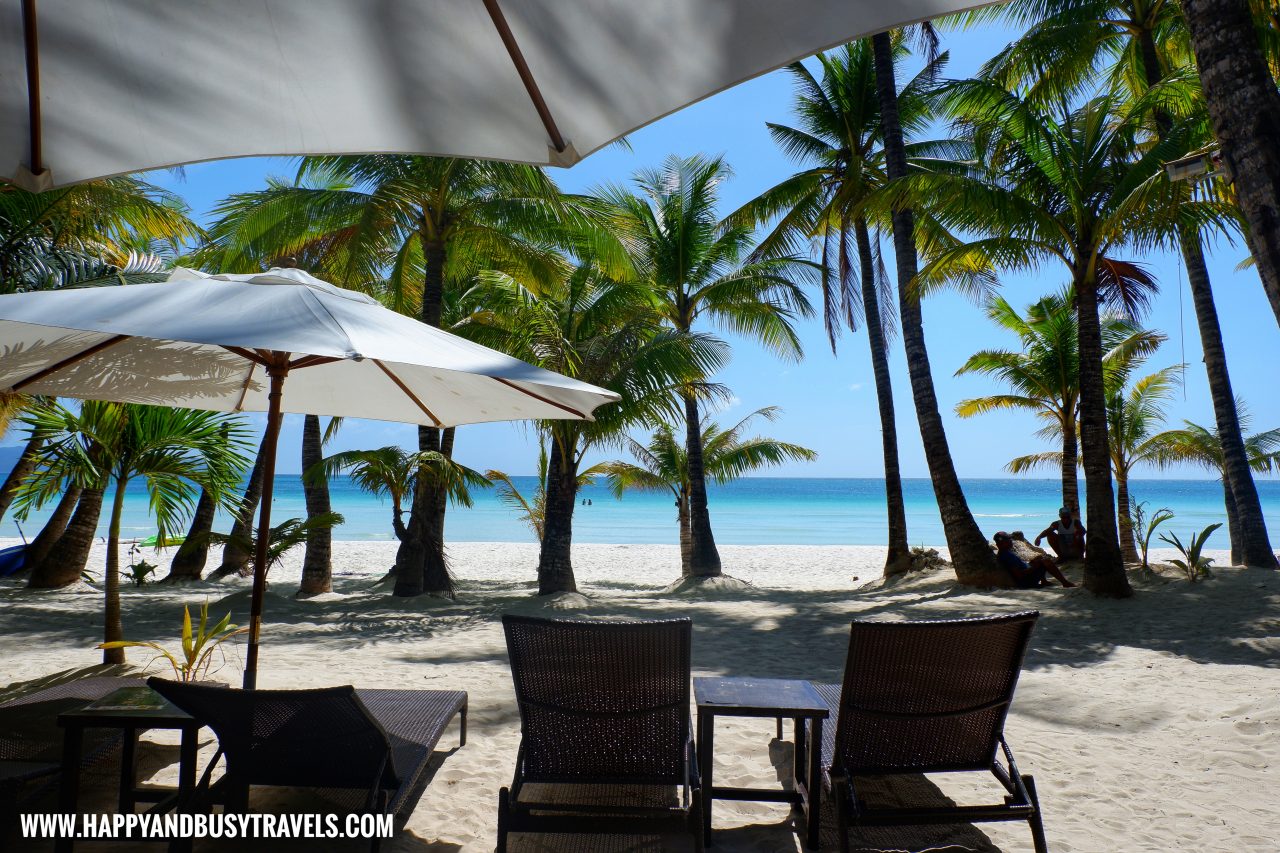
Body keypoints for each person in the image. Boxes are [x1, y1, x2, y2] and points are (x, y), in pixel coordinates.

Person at [994, 531, 1076, 589]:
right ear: (1002, 543)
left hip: (1027, 574)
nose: (1011, 542)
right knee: (1046, 561)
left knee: (1039, 558)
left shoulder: (1004, 553)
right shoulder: (1007, 556)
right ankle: (1065, 583)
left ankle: (1044, 581)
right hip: (1027, 581)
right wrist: (1034, 567)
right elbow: (1019, 575)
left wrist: (1032, 564)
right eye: (1009, 540)